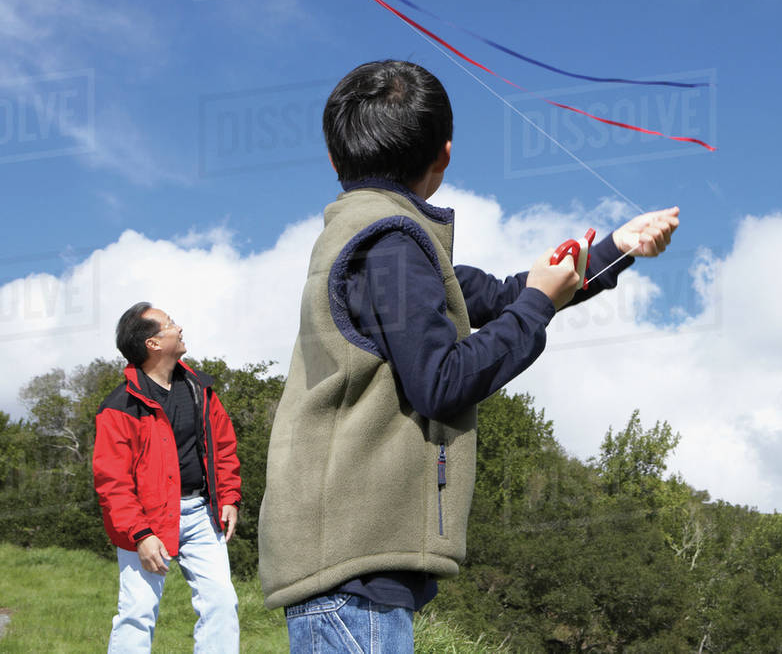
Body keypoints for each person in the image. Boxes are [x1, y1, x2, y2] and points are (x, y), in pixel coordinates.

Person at [258, 59, 680, 653]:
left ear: (335, 160)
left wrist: (616, 247)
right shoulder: (390, 246)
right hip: (351, 575)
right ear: (444, 156)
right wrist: (536, 304)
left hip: (350, 571)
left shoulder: (381, 240)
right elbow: (441, 379)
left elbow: (509, 295)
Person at [93, 303, 242, 652]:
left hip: (203, 513)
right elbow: (112, 483)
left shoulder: (199, 389)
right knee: (137, 612)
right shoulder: (118, 407)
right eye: (170, 323)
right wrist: (141, 534)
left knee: (222, 603)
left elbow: (223, 446)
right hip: (146, 521)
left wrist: (230, 497)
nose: (179, 327)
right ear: (153, 344)